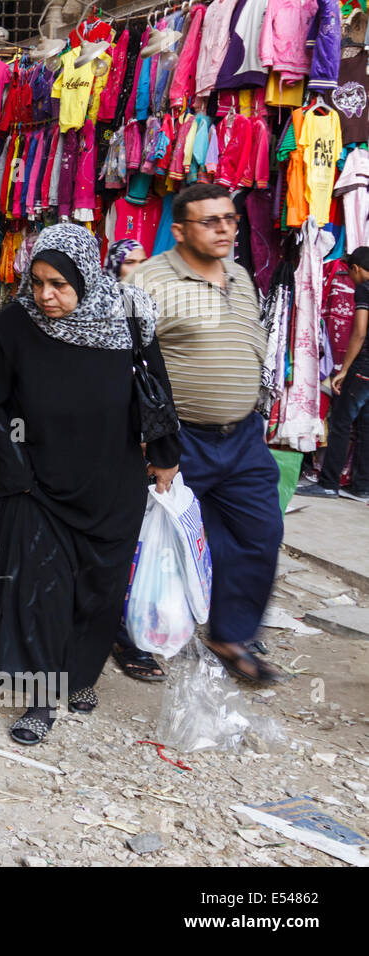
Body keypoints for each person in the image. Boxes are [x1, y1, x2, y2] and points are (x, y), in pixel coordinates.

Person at [0, 224, 181, 745]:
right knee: (41, 592)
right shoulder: (15, 323)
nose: (46, 295)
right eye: (38, 282)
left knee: (99, 587)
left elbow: (156, 387)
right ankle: (40, 697)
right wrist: (12, 469)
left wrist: (167, 457)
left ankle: (79, 676)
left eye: (59, 284)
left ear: (86, 277)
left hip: (112, 482)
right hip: (37, 485)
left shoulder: (127, 315)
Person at [130, 182, 286, 685]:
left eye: (230, 220)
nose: (224, 229)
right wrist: (152, 442)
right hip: (179, 439)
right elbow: (129, 365)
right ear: (178, 230)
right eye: (210, 221)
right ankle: (131, 635)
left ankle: (229, 633)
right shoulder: (150, 281)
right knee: (149, 539)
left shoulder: (240, 276)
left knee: (258, 533)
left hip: (241, 437)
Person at [100, 239, 169, 683]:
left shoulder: (146, 310)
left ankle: (132, 630)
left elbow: (157, 378)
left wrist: (162, 447)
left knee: (138, 544)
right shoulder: (99, 312)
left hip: (142, 442)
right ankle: (115, 633)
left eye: (143, 263)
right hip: (105, 445)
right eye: (130, 263)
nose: (137, 270)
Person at [295, 245, 369, 502]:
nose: (351, 278)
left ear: (357, 269)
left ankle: (328, 483)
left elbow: (359, 332)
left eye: (351, 273)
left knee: (340, 422)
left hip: (363, 368)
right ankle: (361, 487)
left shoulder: (364, 288)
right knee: (365, 426)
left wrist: (345, 369)